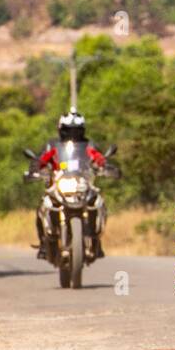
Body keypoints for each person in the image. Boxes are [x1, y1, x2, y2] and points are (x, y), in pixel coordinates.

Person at [30, 109, 109, 259]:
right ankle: (43, 245)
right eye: (69, 130)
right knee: (42, 207)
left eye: (76, 131)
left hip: (82, 184)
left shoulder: (88, 145)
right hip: (58, 184)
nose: (73, 134)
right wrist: (35, 169)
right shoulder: (53, 146)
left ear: (82, 130)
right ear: (61, 130)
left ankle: (95, 241)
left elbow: (98, 158)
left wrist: (105, 166)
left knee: (98, 203)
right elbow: (41, 160)